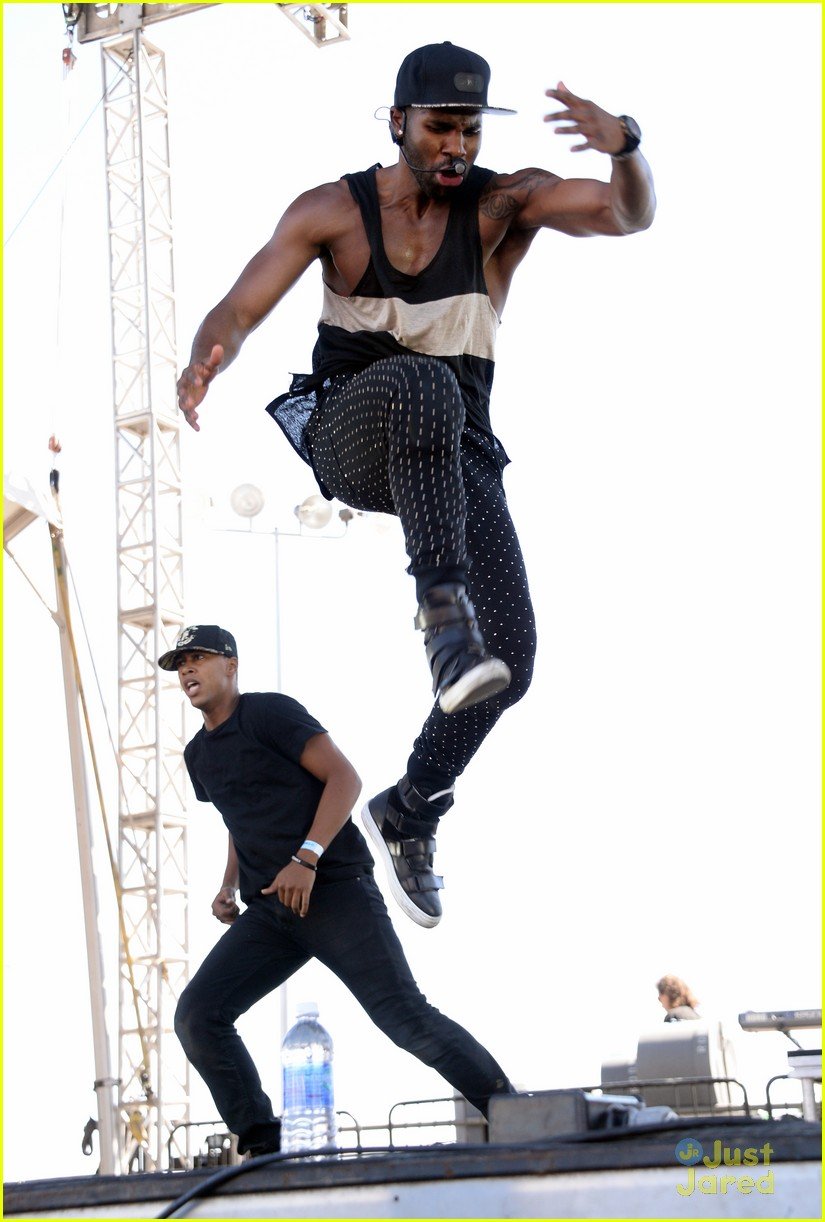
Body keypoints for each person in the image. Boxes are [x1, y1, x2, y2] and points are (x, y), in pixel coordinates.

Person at [176, 42, 657, 929]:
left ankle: (413, 807)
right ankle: (440, 615)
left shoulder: (505, 206)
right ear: (398, 122)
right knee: (419, 382)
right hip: (354, 435)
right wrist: (210, 355)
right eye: (439, 128)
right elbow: (240, 307)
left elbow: (626, 216)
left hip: (459, 456)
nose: (455, 149)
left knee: (511, 657)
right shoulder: (334, 212)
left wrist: (624, 146)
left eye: (468, 131)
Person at [160, 623, 514, 1157]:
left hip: (333, 889)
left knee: (405, 1018)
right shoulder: (197, 756)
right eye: (180, 663)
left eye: (199, 658)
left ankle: (515, 1113)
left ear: (231, 666)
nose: (187, 669)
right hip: (271, 908)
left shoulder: (271, 713)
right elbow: (239, 815)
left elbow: (345, 778)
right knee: (196, 1014)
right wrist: (227, 884)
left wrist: (307, 857)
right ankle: (263, 1146)